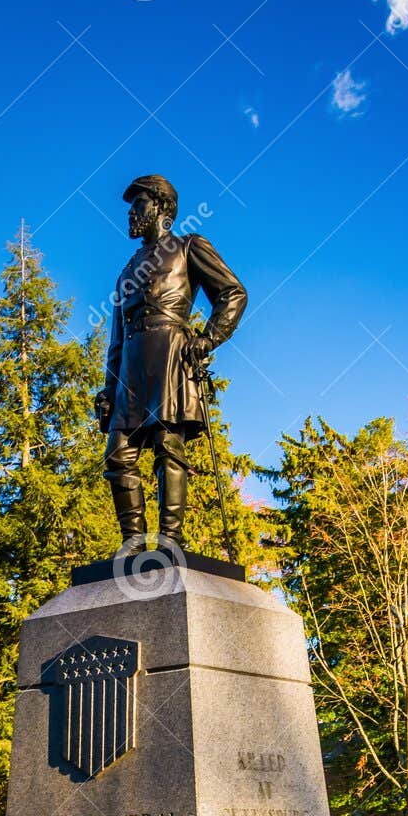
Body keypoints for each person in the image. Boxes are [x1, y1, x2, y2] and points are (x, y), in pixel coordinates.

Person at [95, 175, 247, 551]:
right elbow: (116, 338)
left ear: (161, 207)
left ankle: (169, 540)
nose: (131, 212)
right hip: (131, 362)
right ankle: (132, 542)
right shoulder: (126, 273)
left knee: (168, 445)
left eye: (139, 203)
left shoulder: (189, 247)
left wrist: (208, 338)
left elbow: (232, 293)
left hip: (170, 353)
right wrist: (108, 389)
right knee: (118, 453)